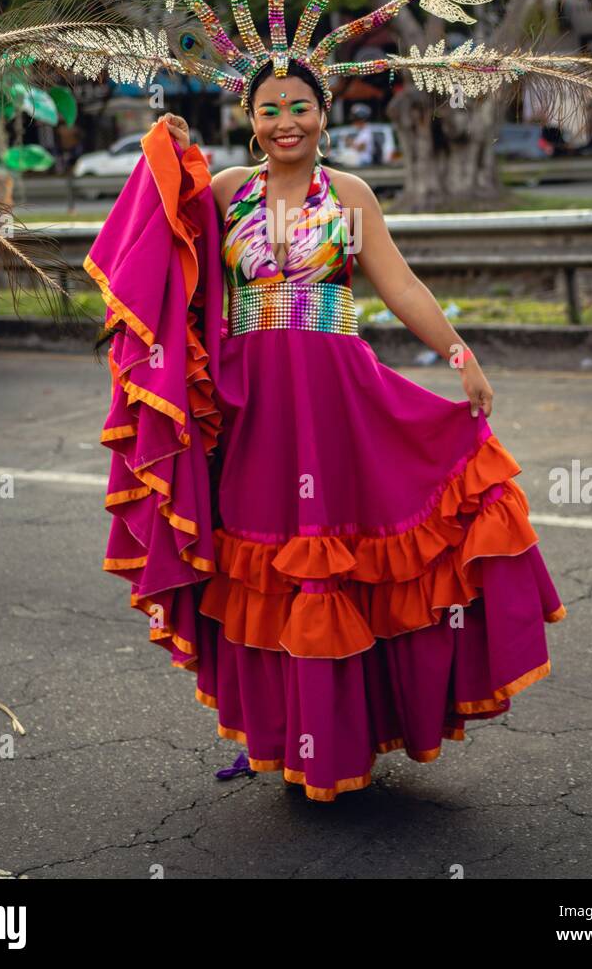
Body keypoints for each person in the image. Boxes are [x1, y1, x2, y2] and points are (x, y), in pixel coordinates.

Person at [85, 58, 566, 803]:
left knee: (350, 556)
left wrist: (459, 355)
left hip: (339, 398)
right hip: (256, 407)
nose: (287, 122)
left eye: (301, 107)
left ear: (324, 112)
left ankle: (350, 736)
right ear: (250, 119)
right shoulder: (223, 194)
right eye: (271, 108)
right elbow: (162, 238)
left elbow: (399, 282)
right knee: (271, 563)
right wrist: (166, 148)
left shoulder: (350, 194)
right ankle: (290, 739)